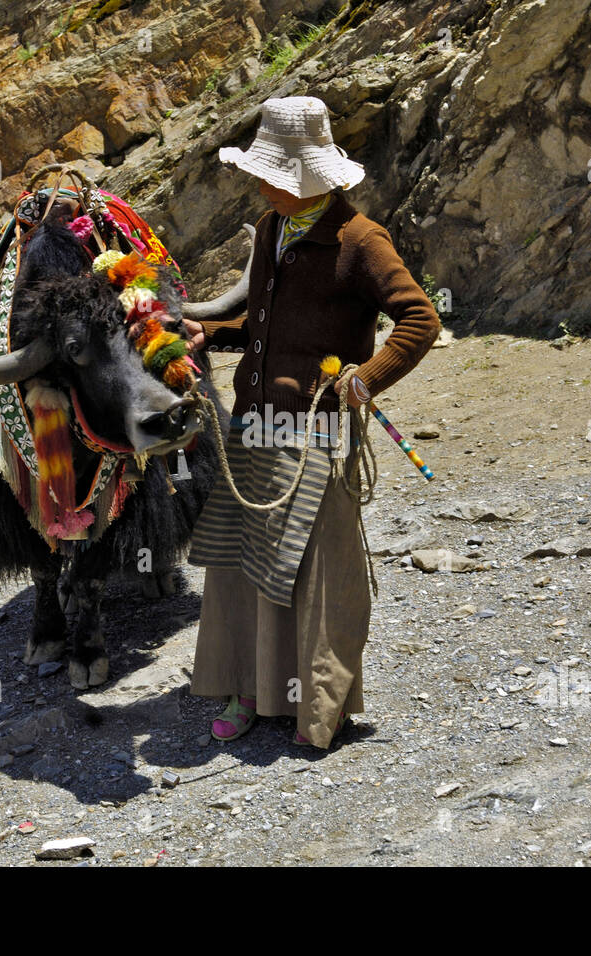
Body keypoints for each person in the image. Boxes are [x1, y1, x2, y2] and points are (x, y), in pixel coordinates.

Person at [181, 96, 440, 749]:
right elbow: (265, 326)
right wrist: (208, 332)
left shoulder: (361, 242)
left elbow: (419, 320)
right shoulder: (271, 230)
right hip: (255, 424)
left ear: (307, 179)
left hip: (320, 428)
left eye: (269, 174)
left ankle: (318, 708)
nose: (260, 184)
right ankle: (253, 692)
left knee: (320, 572)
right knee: (244, 565)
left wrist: (366, 376)